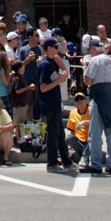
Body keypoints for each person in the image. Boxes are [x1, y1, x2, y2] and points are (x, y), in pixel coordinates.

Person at [83, 39, 111, 175]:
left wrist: (84, 67)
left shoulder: (95, 60)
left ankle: (96, 164)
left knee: (95, 133)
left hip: (99, 96)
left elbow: (88, 80)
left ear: (93, 49)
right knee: (110, 132)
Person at [38, 38, 72, 172]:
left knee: (60, 134)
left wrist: (59, 64)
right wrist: (58, 81)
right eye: (55, 47)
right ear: (49, 48)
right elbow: (43, 88)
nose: (57, 49)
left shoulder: (53, 61)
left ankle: (67, 162)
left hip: (56, 102)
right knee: (52, 135)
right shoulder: (45, 64)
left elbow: (64, 72)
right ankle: (51, 164)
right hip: (49, 103)